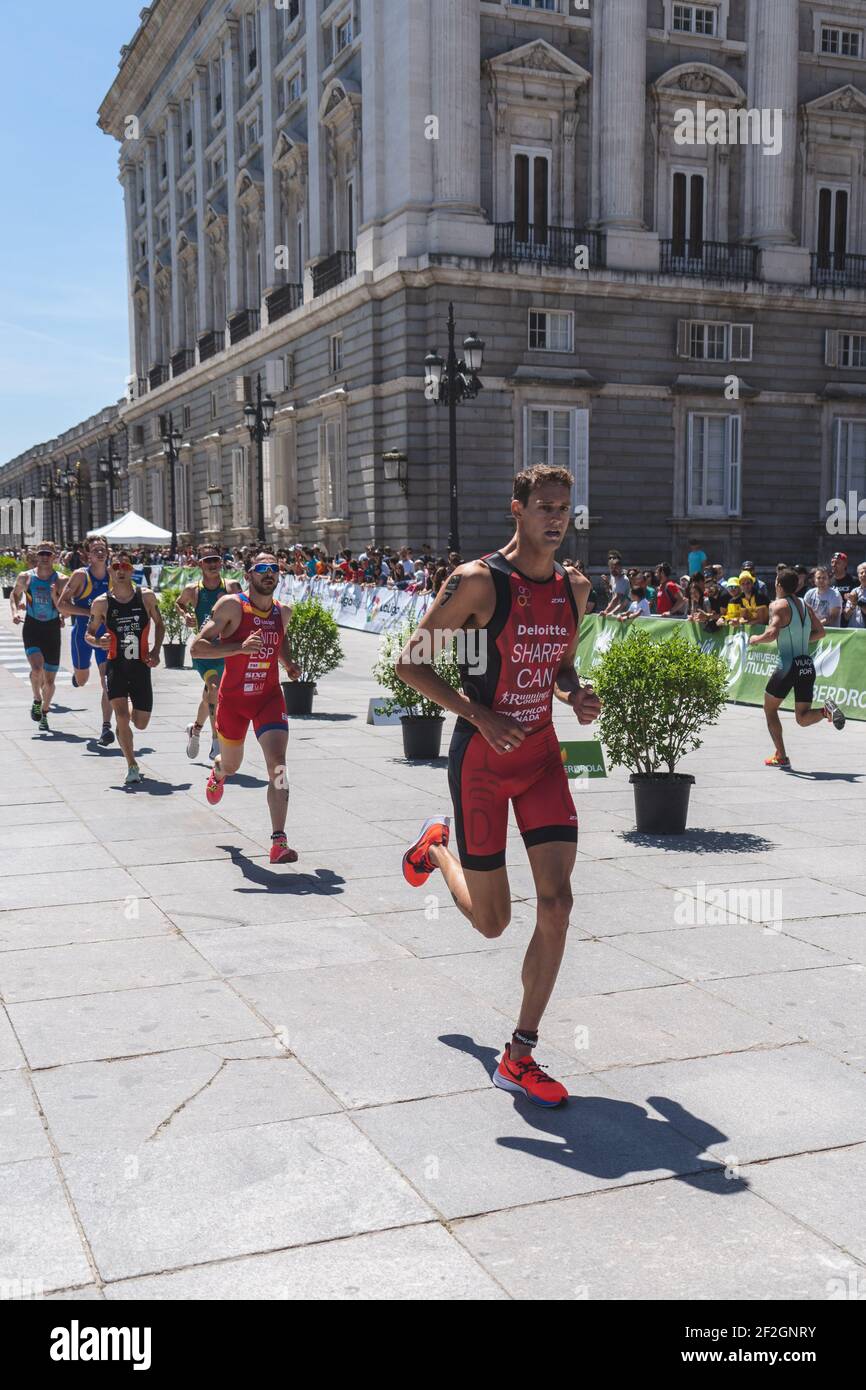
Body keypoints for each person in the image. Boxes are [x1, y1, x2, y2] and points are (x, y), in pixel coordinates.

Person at [396, 463, 600, 1108]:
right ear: (517, 509)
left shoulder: (575, 588)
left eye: (563, 507)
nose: (556, 518)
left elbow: (561, 662)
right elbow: (411, 662)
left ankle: (519, 1053)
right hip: (482, 760)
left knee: (559, 905)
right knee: (493, 923)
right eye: (544, 506)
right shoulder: (478, 582)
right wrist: (481, 713)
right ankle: (434, 850)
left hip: (540, 756)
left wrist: (574, 693)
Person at [191, 554, 301, 865]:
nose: (269, 574)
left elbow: (279, 641)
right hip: (234, 702)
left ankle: (278, 840)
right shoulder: (231, 606)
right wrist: (239, 647)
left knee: (278, 765)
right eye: (262, 569)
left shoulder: (283, 612)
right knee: (232, 766)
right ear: (249, 574)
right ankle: (218, 771)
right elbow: (197, 647)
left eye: (274, 569)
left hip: (268, 698)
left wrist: (288, 663)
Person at [750, 568, 845, 767]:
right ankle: (825, 711)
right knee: (801, 718)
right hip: (806, 665)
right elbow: (820, 632)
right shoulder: (804, 604)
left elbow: (772, 633)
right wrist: (802, 639)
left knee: (769, 709)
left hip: (788, 666)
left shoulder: (778, 605)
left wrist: (755, 639)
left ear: (778, 585)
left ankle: (781, 756)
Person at [85, 552, 164, 786]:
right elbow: (87, 633)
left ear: (132, 570)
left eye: (125, 566)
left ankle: (125, 724)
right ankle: (131, 765)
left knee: (140, 723)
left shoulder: (146, 597)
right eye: (116, 566)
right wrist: (97, 642)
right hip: (115, 666)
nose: (120, 570)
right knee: (120, 716)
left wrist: (156, 651)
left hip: (140, 666)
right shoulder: (102, 603)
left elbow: (160, 624)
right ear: (110, 570)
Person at [177, 548, 241, 761]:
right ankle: (216, 742)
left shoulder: (231, 587)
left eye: (216, 560)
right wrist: (186, 615)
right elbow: (179, 603)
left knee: (210, 697)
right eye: (208, 561)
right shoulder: (192, 590)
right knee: (213, 689)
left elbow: (245, 609)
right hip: (204, 650)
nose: (213, 564)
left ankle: (195, 730)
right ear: (200, 564)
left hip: (227, 650)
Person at [57, 536, 114, 746]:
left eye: (103, 549)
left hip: (105, 636)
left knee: (107, 680)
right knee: (82, 680)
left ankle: (106, 727)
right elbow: (62, 605)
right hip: (83, 634)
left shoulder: (113, 575)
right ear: (87, 555)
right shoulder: (81, 576)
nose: (100, 553)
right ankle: (76, 677)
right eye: (95, 550)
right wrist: (90, 613)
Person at [9, 541, 65, 732]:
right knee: (36, 667)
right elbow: (14, 595)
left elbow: (67, 604)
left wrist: (63, 613)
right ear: (36, 555)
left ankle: (45, 712)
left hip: (52, 630)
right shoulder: (26, 577)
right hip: (32, 627)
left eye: (48, 554)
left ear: (54, 556)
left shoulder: (61, 580)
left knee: (49, 681)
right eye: (41, 553)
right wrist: (15, 612)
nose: (44, 557)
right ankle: (36, 698)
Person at [830, 551, 857, 624]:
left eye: (837, 563)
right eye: (832, 562)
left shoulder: (854, 581)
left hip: (852, 621)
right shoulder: (828, 582)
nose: (834, 565)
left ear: (845, 564)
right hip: (833, 621)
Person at [843, 562, 866, 628]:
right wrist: (853, 605)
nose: (864, 575)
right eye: (861, 573)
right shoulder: (854, 591)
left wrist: (856, 601)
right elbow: (846, 616)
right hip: (853, 632)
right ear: (858, 576)